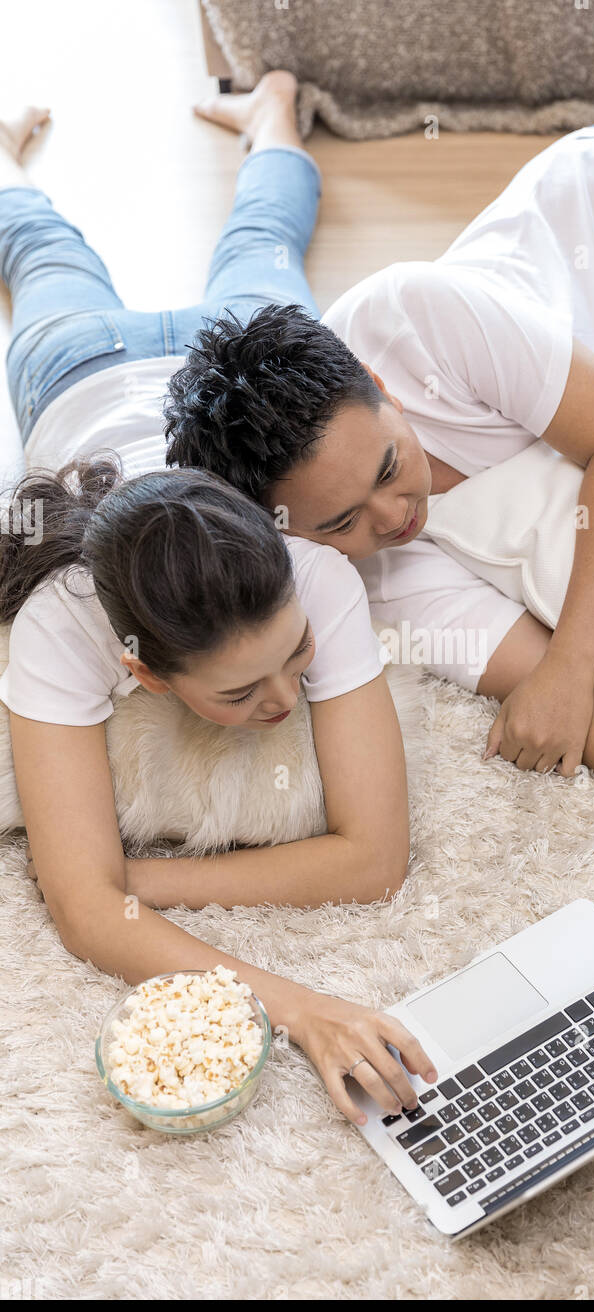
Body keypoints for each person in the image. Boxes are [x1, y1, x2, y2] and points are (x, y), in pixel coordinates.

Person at [3, 80, 594, 895]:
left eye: (387, 467)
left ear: (377, 383)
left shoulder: (415, 314)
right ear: (289, 534)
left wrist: (569, 663)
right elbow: (584, 710)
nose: (397, 517)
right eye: (344, 521)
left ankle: (272, 114)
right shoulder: (371, 586)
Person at [0, 79, 436, 1125]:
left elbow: (374, 862)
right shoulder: (63, 624)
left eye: (293, 658)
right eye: (240, 695)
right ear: (141, 671)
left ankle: (272, 111)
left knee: (263, 236)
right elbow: (80, 915)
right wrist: (296, 1004)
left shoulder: (311, 574)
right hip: (80, 374)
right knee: (41, 255)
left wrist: (126, 885)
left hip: (213, 354)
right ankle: (8, 154)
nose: (291, 698)